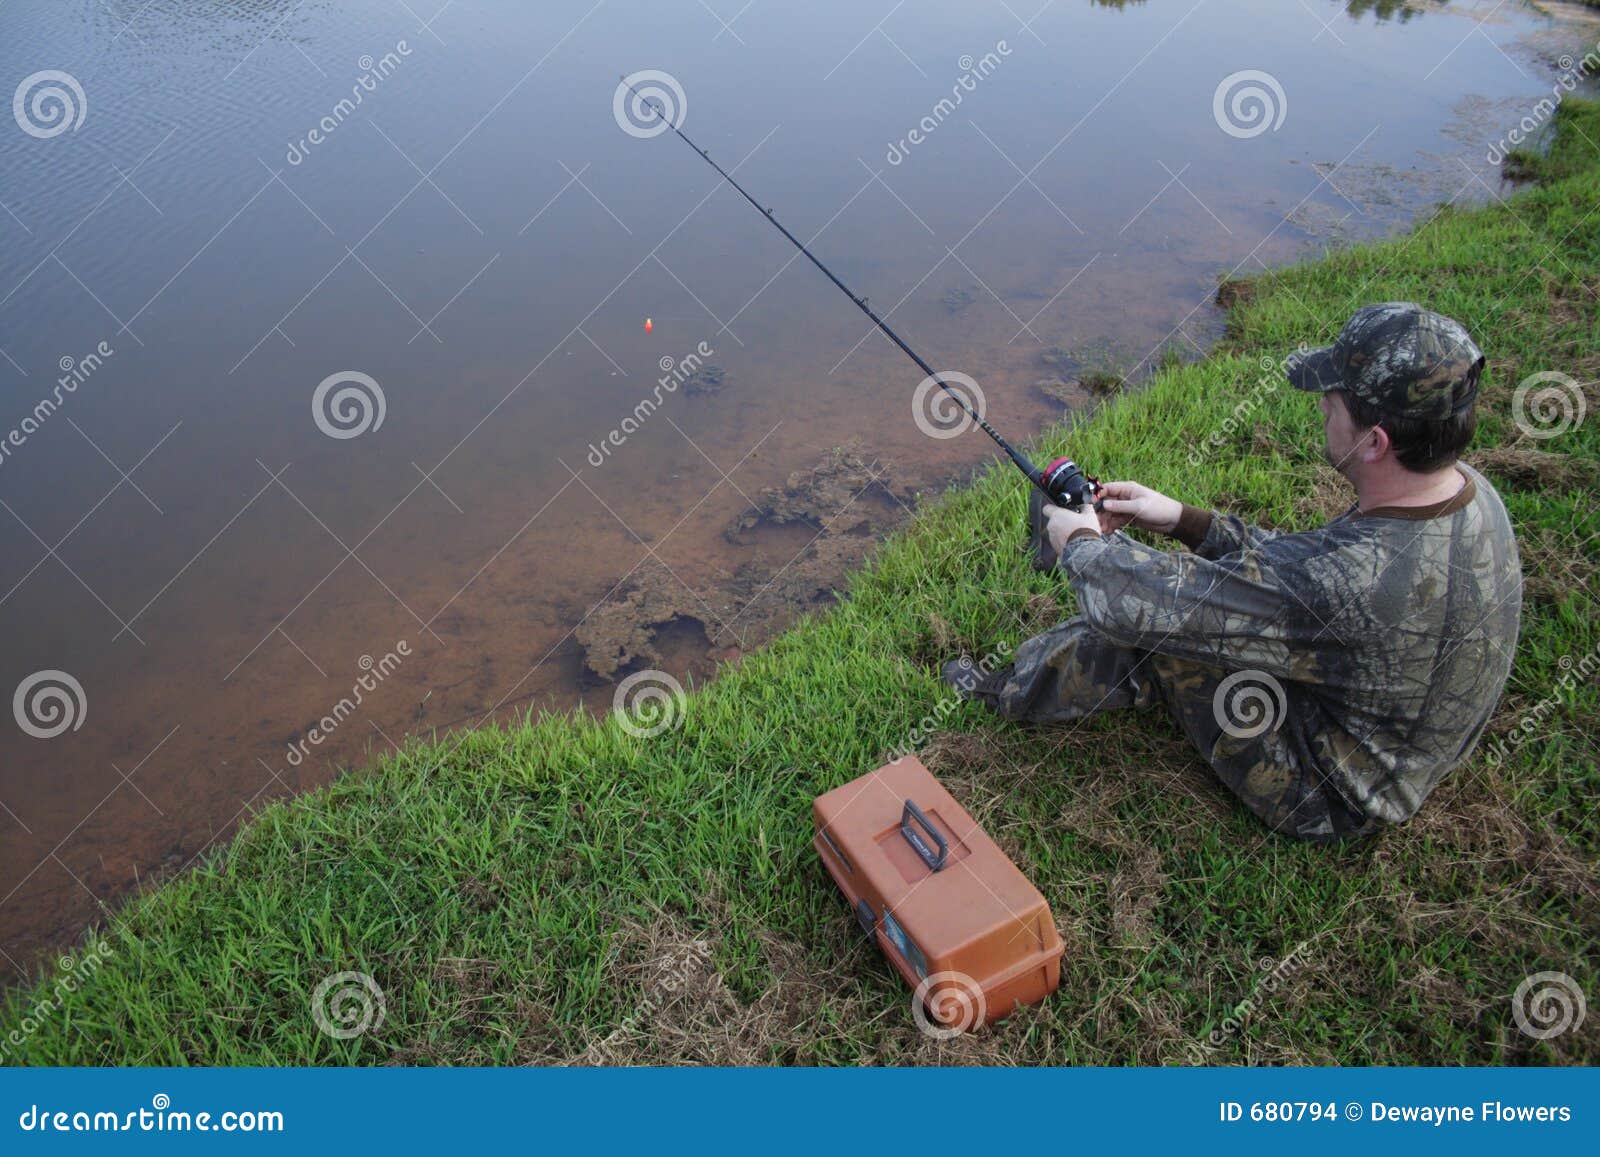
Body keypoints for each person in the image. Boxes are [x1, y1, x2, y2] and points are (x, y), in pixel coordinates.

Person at [945, 303, 1522, 841]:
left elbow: (1135, 604)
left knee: (1164, 635)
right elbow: (1300, 569)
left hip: (1334, 796)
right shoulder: (1465, 491)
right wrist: (1180, 520)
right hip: (1402, 749)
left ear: (1375, 442)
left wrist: (1081, 544)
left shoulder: (1345, 581)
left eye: (1335, 398)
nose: (1321, 403)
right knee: (1205, 613)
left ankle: (1004, 689)